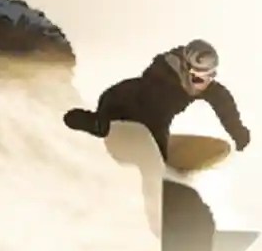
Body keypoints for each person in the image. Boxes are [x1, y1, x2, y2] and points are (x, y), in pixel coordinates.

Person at [63, 39, 251, 164]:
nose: (202, 86)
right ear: (185, 71)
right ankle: (94, 123)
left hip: (151, 119)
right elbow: (155, 123)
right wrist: (161, 161)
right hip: (120, 105)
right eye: (198, 80)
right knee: (113, 128)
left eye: (209, 78)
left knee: (155, 137)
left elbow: (222, 99)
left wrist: (238, 131)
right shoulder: (160, 86)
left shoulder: (199, 84)